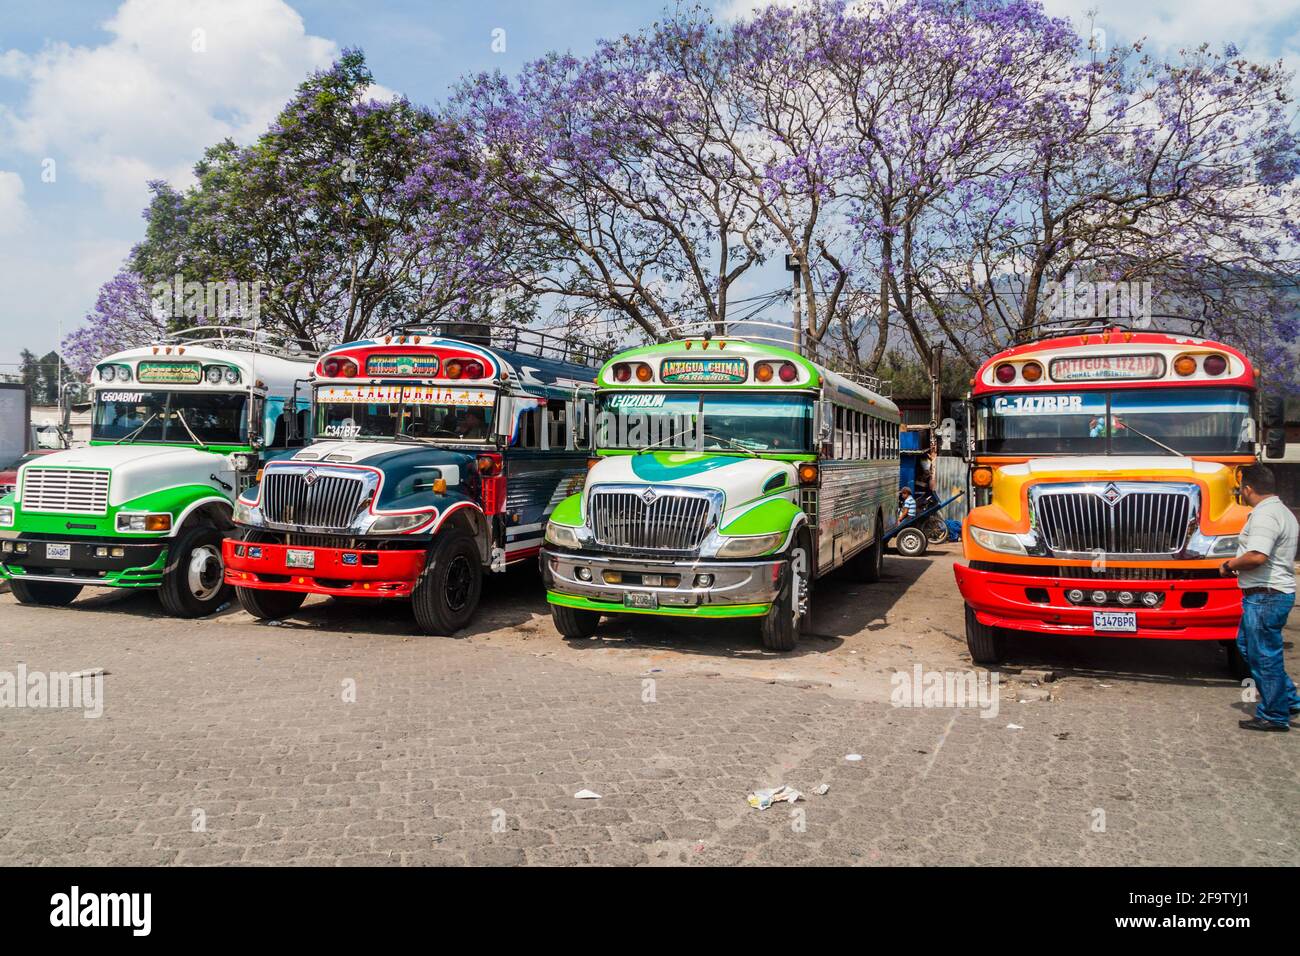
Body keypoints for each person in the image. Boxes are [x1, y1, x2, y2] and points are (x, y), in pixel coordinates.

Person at [1219, 463, 1300, 732]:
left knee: (1264, 655)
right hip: (1269, 595)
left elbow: (1256, 556)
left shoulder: (1265, 515)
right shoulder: (1281, 511)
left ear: (1248, 489)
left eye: (1241, 488)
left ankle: (1275, 714)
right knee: (1249, 648)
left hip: (1266, 596)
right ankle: (1286, 698)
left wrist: (1229, 565)